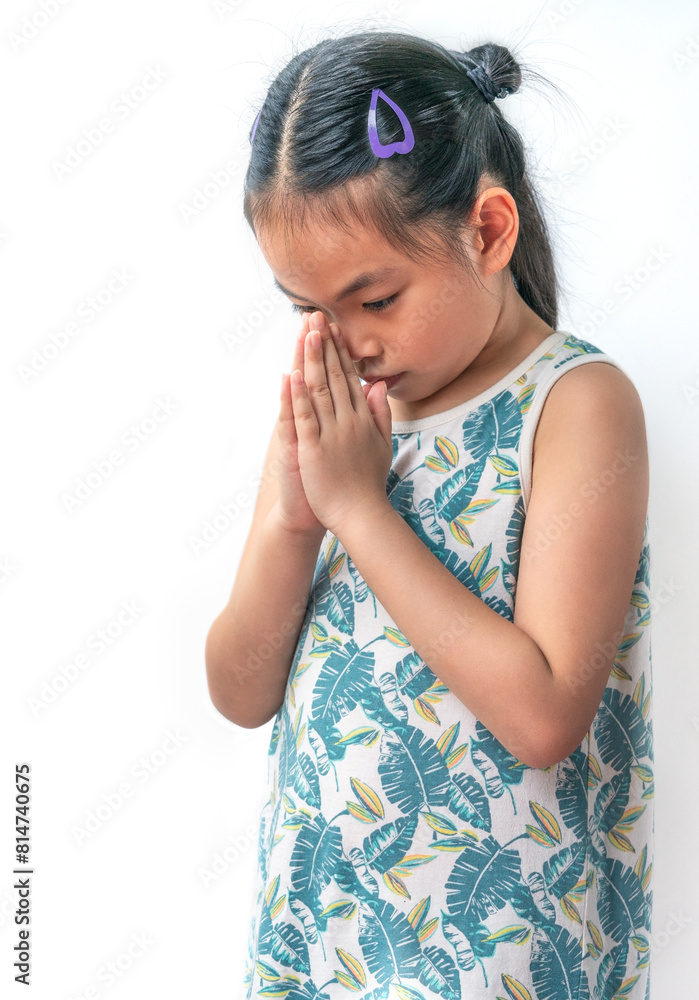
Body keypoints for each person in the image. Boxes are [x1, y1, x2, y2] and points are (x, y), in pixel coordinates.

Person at [205, 29, 654, 1000]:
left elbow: (543, 716)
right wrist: (294, 517)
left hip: (494, 951)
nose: (343, 341)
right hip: (325, 941)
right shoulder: (343, 421)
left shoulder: (574, 404)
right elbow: (240, 692)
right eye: (306, 309)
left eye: (374, 297)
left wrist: (358, 509)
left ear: (488, 233)